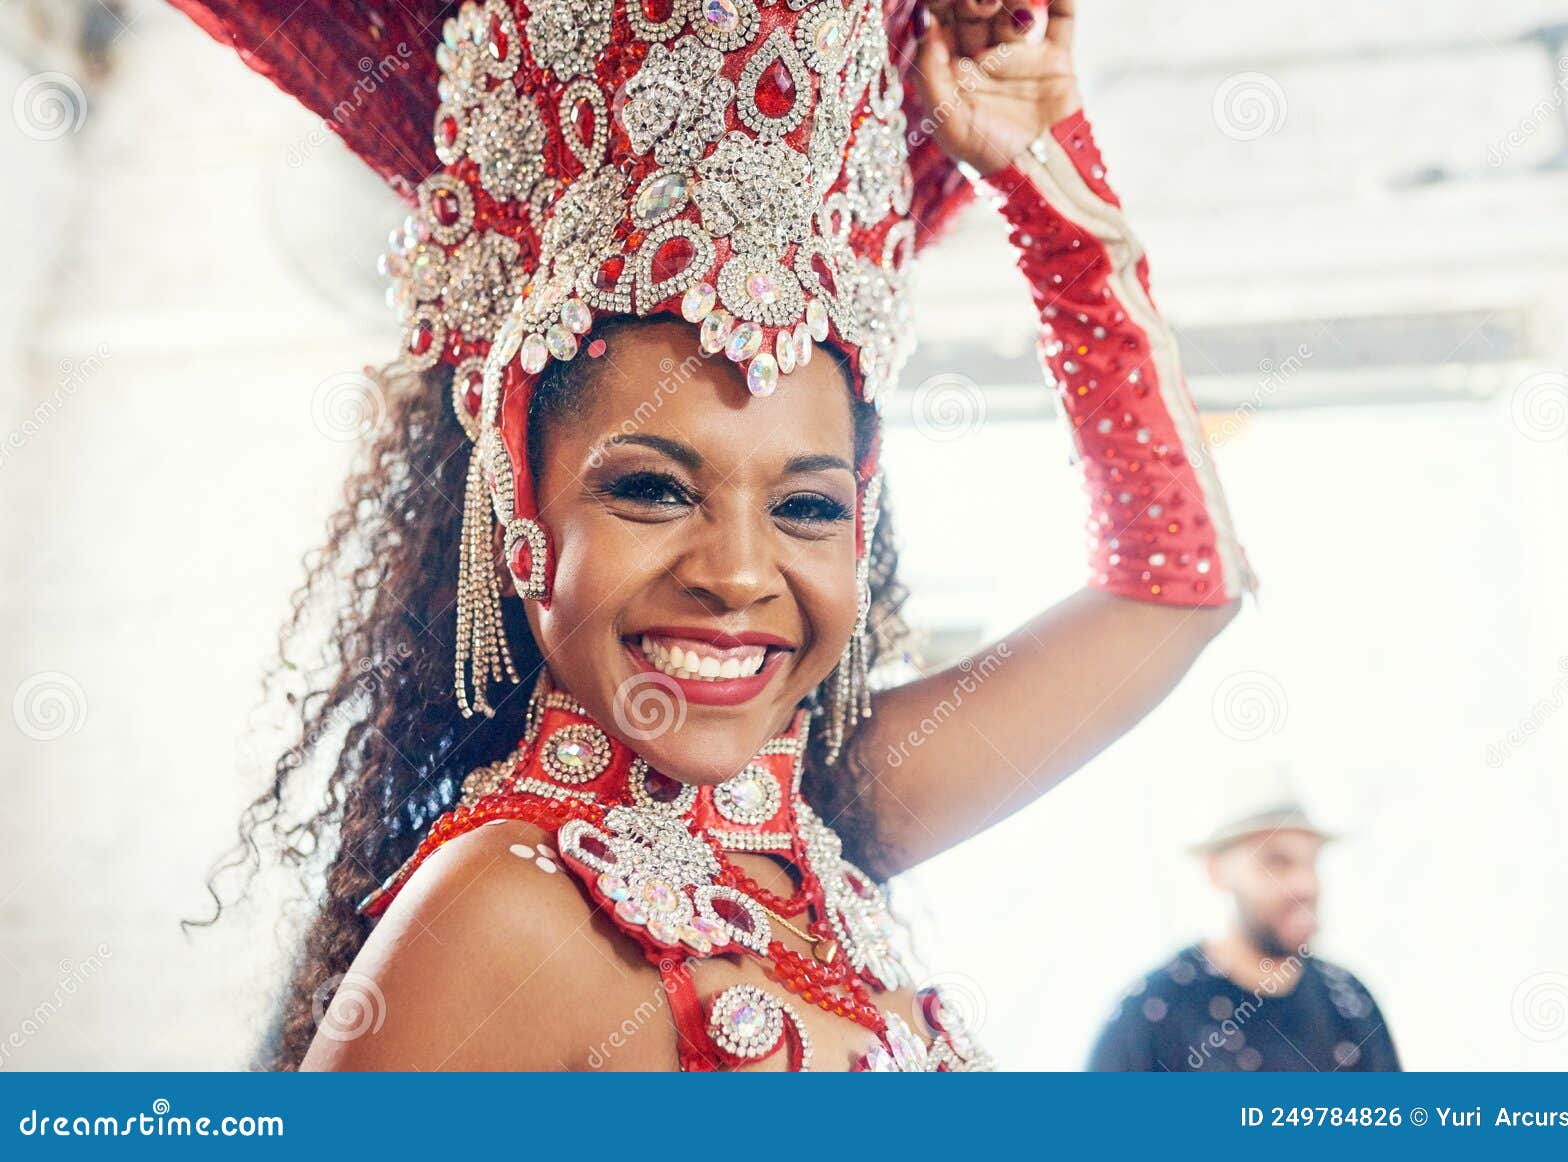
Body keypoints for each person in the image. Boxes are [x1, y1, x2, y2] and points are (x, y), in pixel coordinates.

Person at [173, 0, 1254, 1070]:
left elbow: (1179, 585)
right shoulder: (497, 916)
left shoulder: (819, 819)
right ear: (522, 515)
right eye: (652, 489)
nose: (738, 574)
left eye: (807, 507)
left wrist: (1043, 180)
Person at [1087, 796, 1401, 1072]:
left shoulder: (1348, 999)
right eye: (1277, 862)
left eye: (1311, 861)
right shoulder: (1157, 1009)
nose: (1306, 884)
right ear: (1216, 870)